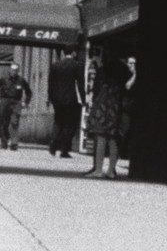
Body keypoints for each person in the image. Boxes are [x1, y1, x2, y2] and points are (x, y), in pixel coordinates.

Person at [85, 49, 135, 179]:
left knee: (101, 137)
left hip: (103, 105)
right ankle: (111, 170)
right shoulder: (124, 70)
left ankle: (98, 169)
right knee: (113, 139)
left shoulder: (103, 70)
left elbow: (95, 89)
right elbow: (129, 87)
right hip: (117, 106)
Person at [47, 46, 86, 158]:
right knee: (70, 124)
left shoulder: (55, 65)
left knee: (58, 121)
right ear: (73, 53)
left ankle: (54, 141)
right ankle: (64, 149)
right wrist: (83, 100)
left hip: (57, 99)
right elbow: (80, 83)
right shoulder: (77, 65)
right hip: (71, 99)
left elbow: (50, 83)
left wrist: (51, 98)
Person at [0, 61, 33, 151]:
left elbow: (29, 92)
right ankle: (4, 143)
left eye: (16, 70)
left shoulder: (21, 80)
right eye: (12, 70)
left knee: (15, 122)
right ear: (9, 70)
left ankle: (14, 144)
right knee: (4, 123)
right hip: (4, 101)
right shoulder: (3, 79)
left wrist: (25, 102)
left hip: (16, 102)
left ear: (18, 71)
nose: (14, 72)